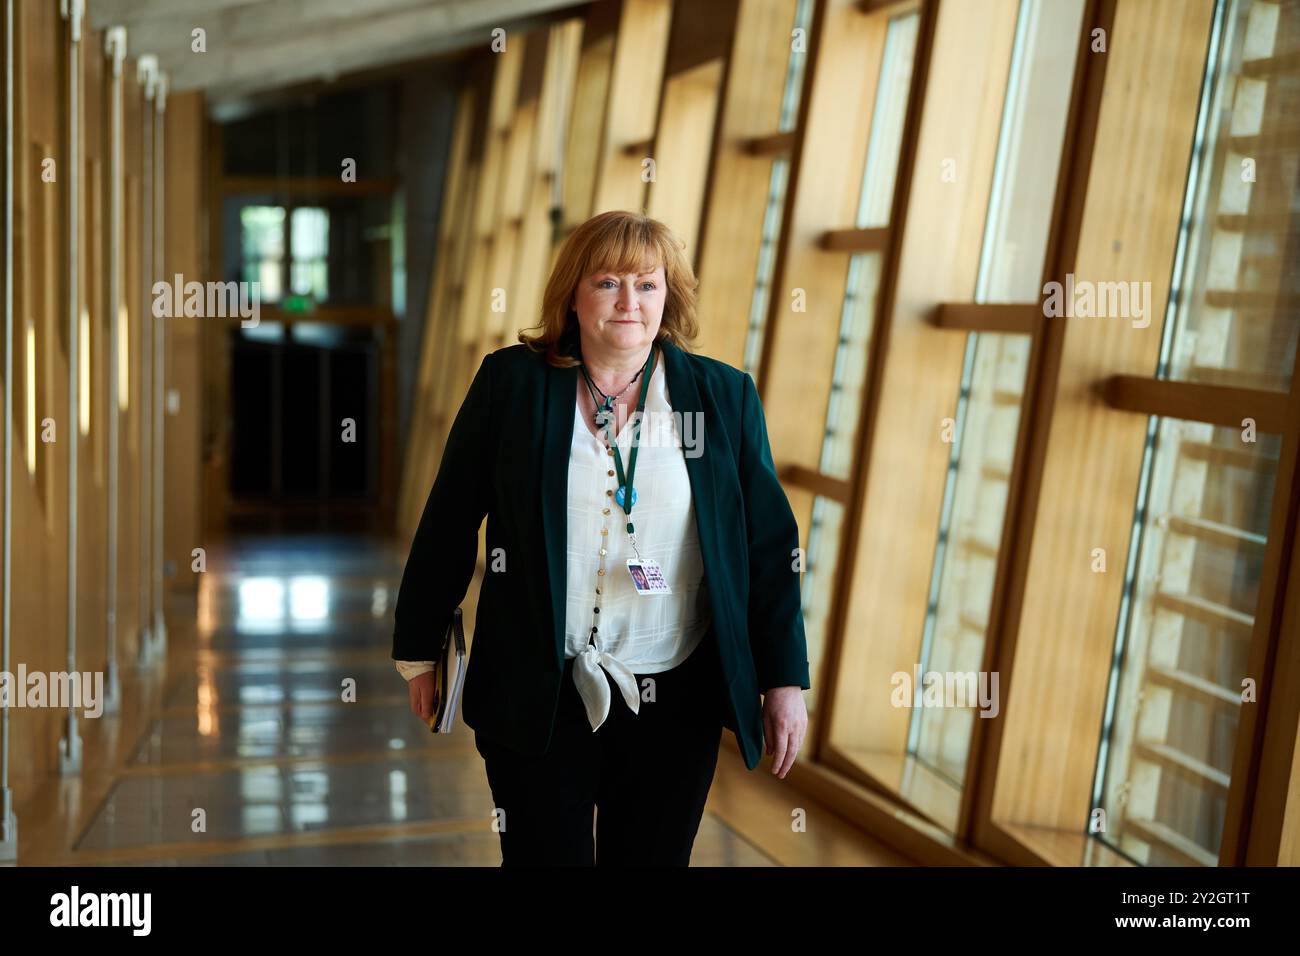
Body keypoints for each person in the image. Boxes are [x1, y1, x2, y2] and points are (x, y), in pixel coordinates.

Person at [392, 210, 810, 866]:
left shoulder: (721, 398)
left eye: (647, 284)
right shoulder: (514, 386)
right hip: (539, 687)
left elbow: (770, 546)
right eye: (608, 282)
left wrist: (784, 680)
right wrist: (420, 649)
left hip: (673, 698)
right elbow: (449, 519)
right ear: (573, 294)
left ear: (669, 296)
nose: (629, 302)